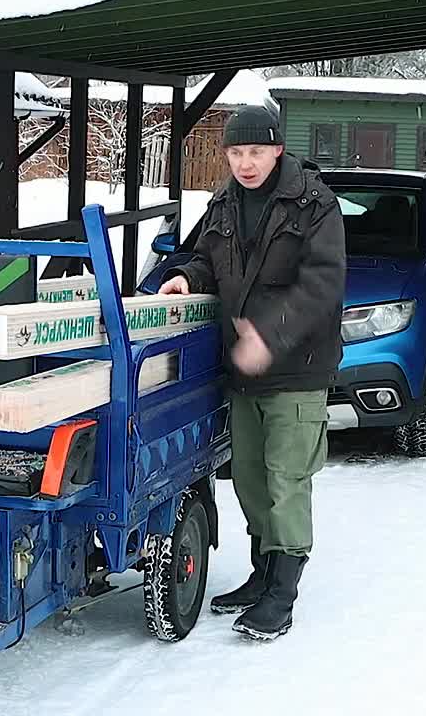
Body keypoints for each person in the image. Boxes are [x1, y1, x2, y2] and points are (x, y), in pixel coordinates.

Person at [158, 105, 346, 640]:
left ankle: (282, 593)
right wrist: (185, 279)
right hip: (243, 371)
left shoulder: (314, 204)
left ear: (277, 150)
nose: (245, 163)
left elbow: (323, 285)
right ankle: (262, 574)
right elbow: (203, 258)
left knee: (287, 481)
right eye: (236, 153)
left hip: (295, 370)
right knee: (250, 480)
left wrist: (270, 336)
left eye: (256, 152)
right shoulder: (222, 203)